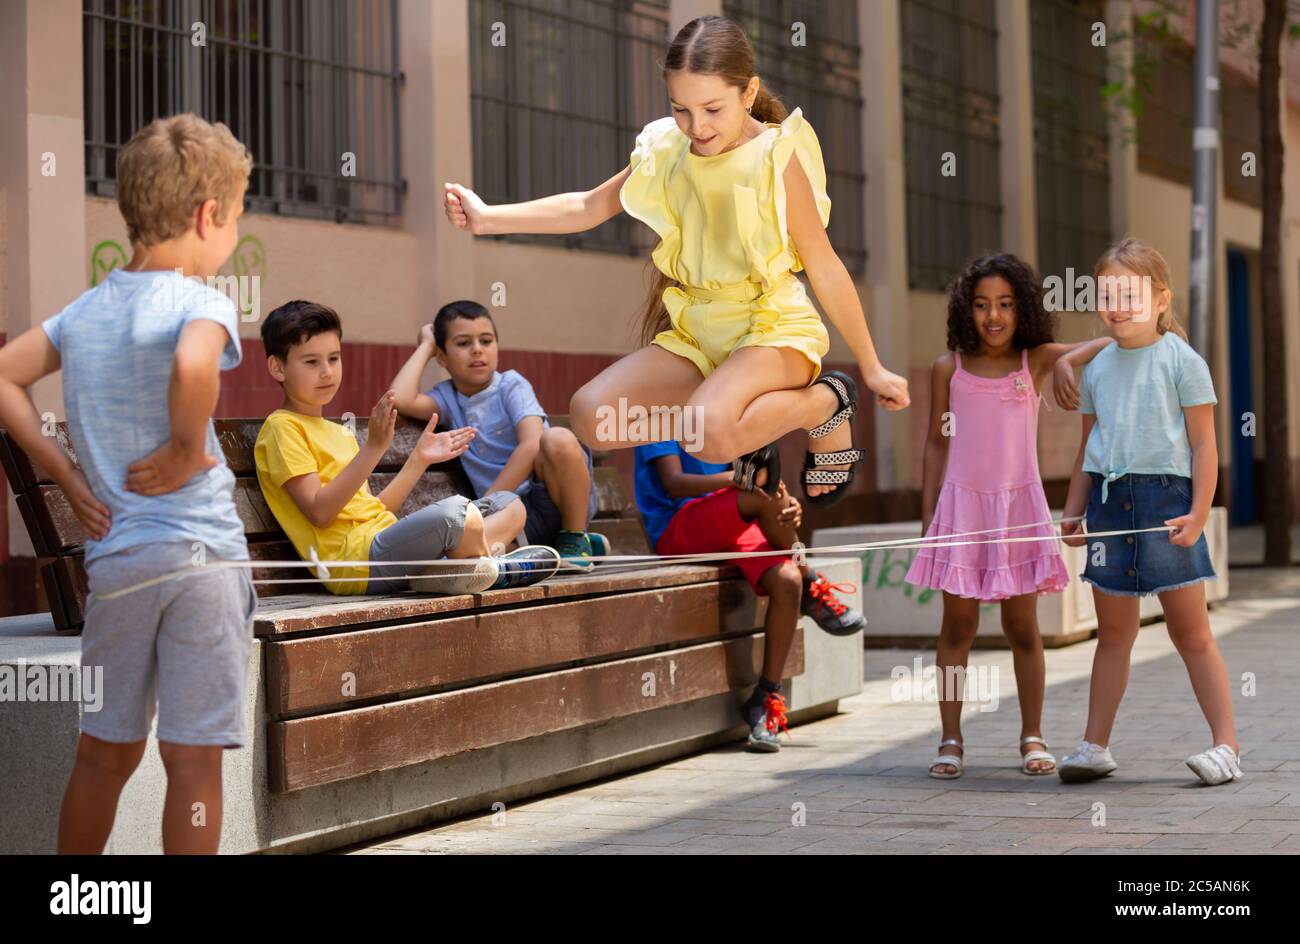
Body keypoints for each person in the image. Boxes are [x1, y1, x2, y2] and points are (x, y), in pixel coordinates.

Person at [443, 15, 909, 507]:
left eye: (712, 108)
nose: (697, 126)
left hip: (771, 327)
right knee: (592, 417)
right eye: (681, 109)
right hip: (697, 332)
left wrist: (872, 365)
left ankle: (823, 403)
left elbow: (825, 264)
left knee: (706, 436)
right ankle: (730, 417)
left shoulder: (776, 155)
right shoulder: (667, 148)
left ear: (748, 92)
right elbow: (589, 206)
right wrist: (487, 217)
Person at [0, 114, 255, 852]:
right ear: (208, 215)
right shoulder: (201, 301)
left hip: (117, 568)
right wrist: (183, 448)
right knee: (193, 759)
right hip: (202, 559)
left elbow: (5, 378)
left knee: (104, 753)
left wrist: (67, 476)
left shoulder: (80, 314)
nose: (233, 235)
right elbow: (193, 366)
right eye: (235, 219)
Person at [907, 253, 1113, 779]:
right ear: (965, 310)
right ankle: (950, 736)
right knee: (958, 626)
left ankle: (1032, 735)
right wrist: (930, 517)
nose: (993, 317)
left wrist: (1064, 362)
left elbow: (1108, 344)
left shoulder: (1034, 361)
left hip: (1018, 511)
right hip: (960, 511)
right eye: (981, 305)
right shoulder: (947, 369)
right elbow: (936, 443)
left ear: (1021, 309)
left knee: (1023, 627)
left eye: (1004, 304)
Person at [1058, 237, 1241, 786]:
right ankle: (1095, 746)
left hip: (1168, 504)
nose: (1115, 304)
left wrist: (1199, 512)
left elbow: (1205, 446)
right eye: (1105, 292)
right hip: (1111, 506)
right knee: (1113, 634)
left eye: (1129, 292)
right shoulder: (1097, 369)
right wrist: (1073, 510)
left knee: (1191, 633)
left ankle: (1227, 747)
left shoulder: (1183, 361)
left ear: (1160, 299)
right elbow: (1088, 446)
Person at [254, 300, 560, 595]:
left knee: (508, 504)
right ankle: (484, 566)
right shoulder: (282, 429)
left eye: (334, 358)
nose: (327, 372)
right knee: (455, 514)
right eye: (312, 362)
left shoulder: (338, 432)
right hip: (356, 563)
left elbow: (377, 510)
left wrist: (419, 458)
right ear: (278, 368)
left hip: (384, 544)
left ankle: (458, 569)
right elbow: (320, 513)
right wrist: (374, 447)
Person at [635, 440, 865, 751]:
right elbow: (674, 485)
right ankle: (810, 579)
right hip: (678, 528)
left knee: (786, 580)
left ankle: (765, 697)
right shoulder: (660, 414)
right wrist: (743, 481)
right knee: (761, 491)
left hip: (729, 518)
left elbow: (755, 473)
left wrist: (787, 506)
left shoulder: (717, 408)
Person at [390, 300, 606, 567]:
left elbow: (530, 444)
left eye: (486, 340)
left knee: (556, 438)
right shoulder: (447, 398)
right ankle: (562, 545)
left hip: (552, 497)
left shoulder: (511, 386)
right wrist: (425, 346)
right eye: (463, 343)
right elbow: (399, 399)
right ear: (442, 356)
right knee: (470, 559)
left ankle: (575, 537)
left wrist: (486, 505)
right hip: (513, 517)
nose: (477, 350)